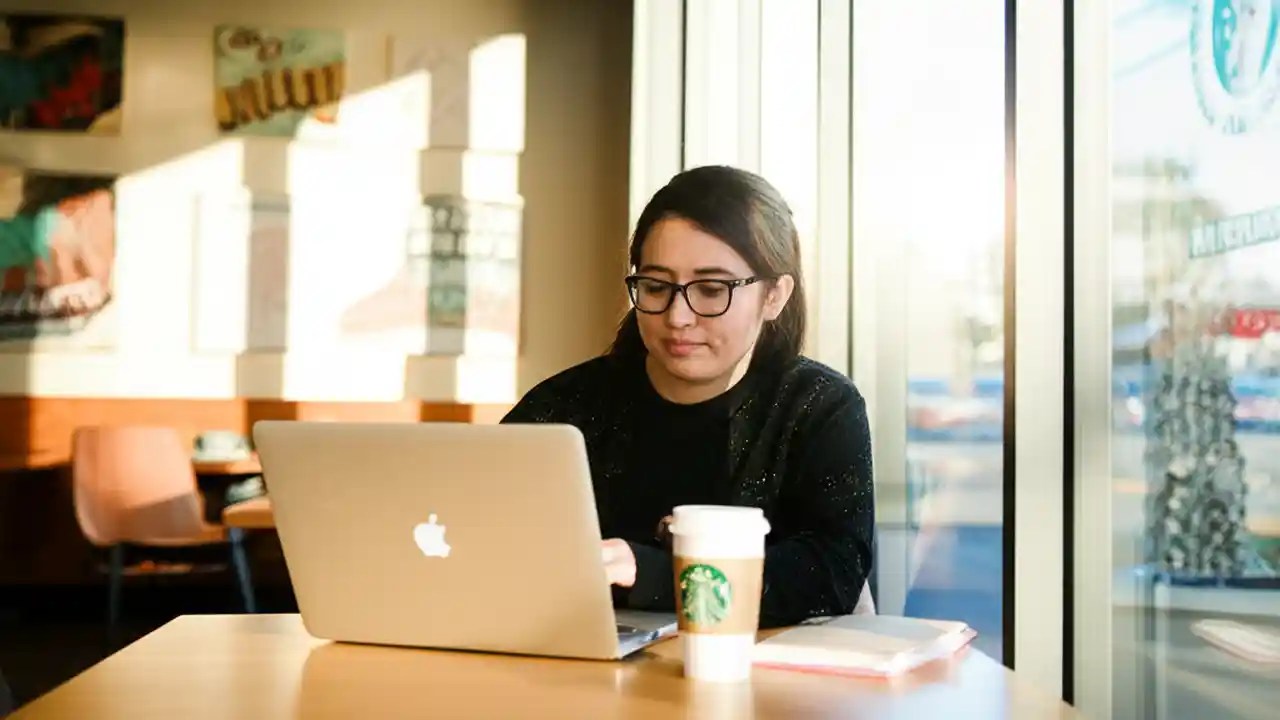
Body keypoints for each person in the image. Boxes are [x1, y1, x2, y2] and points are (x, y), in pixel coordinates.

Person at [501, 165, 874, 628]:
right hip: (579, 669)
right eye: (656, 287)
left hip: (756, 679)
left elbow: (832, 572)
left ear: (774, 295)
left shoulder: (818, 405)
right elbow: (481, 531)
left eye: (712, 289)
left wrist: (658, 574)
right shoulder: (564, 407)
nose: (678, 317)